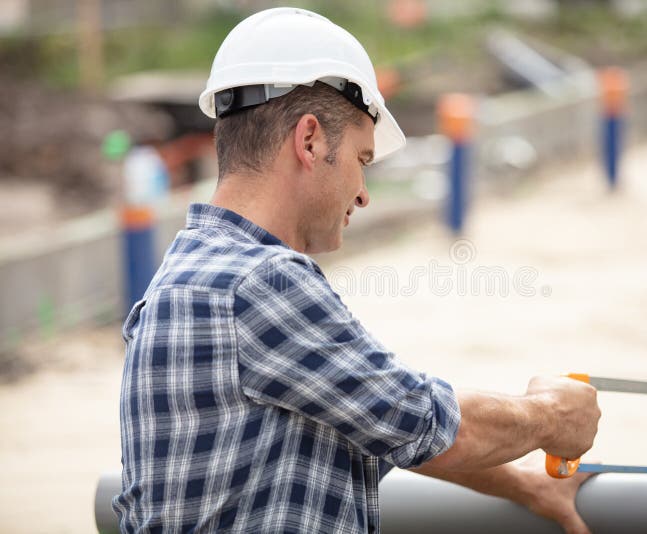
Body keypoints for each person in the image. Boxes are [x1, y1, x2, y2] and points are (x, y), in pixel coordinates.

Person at [113, 7, 601, 533]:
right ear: (310, 141)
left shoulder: (190, 271)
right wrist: (552, 416)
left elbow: (368, 417)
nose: (364, 193)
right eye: (362, 160)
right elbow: (418, 418)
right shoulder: (261, 281)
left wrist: (522, 484)